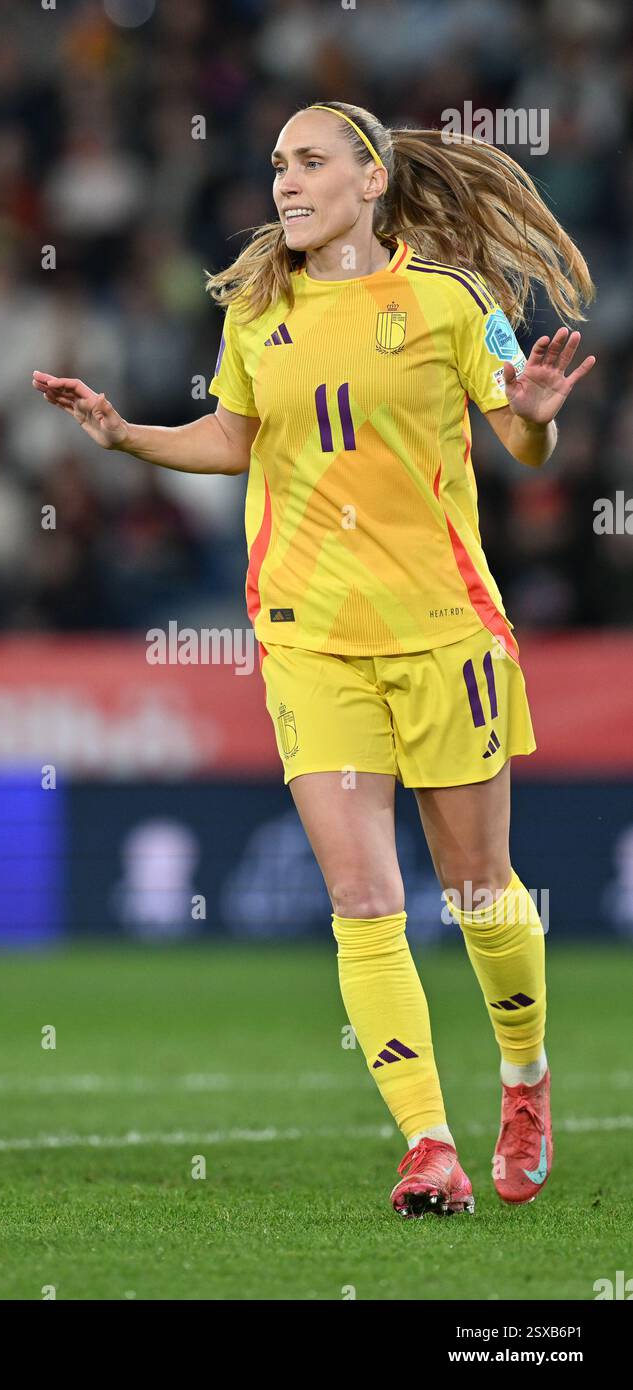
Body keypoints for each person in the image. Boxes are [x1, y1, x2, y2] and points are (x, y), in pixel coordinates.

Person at [32, 100, 596, 1218]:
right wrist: (126, 433)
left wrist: (532, 417)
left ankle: (523, 1080)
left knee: (480, 892)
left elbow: (522, 432)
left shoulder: (449, 301)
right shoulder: (257, 307)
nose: (283, 181)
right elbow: (238, 438)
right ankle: (426, 1142)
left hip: (444, 632)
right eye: (275, 163)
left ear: (370, 178)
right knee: (363, 899)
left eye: (307, 162)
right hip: (308, 638)